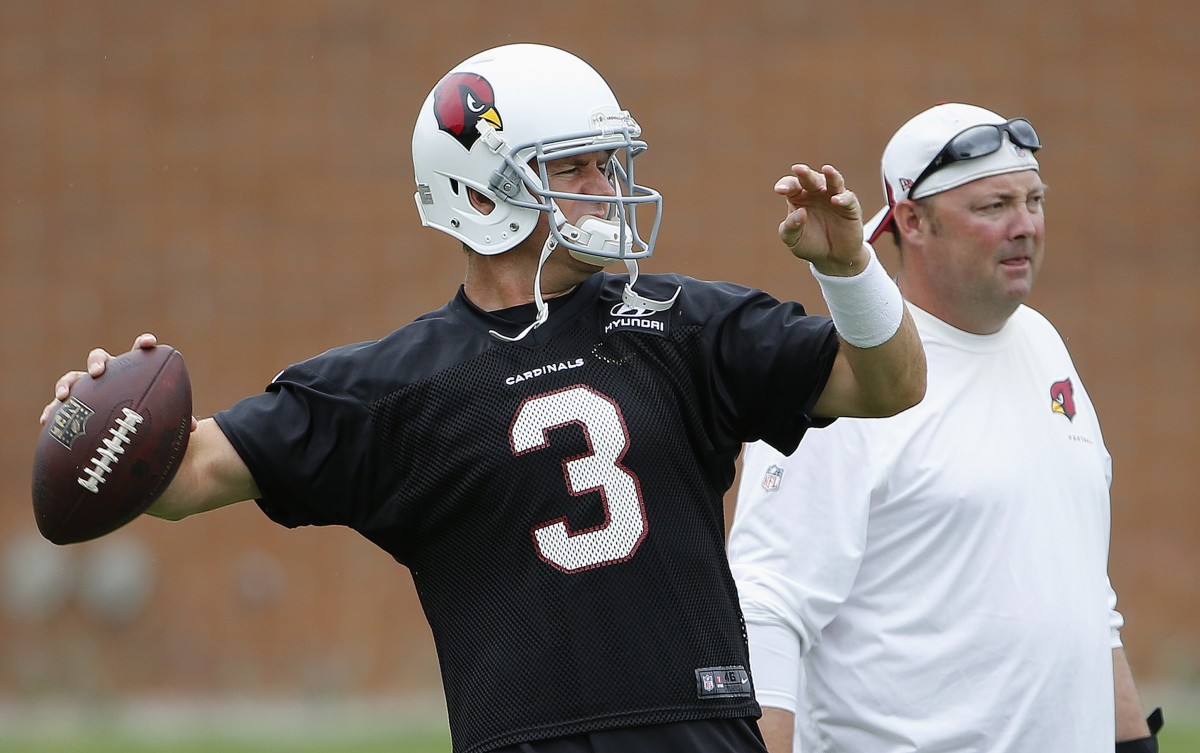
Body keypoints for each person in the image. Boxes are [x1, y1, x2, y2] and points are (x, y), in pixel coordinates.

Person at [39, 44, 925, 753]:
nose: (608, 190)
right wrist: (93, 421)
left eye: (608, 163)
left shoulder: (682, 322)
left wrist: (848, 268)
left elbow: (889, 383)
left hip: (695, 726)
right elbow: (186, 474)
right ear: (477, 188)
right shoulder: (394, 384)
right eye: (574, 167)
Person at [727, 102, 1162, 753]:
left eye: (1034, 200)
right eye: (993, 207)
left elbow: (1080, 586)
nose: (1026, 227)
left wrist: (1131, 740)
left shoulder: (1043, 344)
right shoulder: (840, 378)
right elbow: (767, 605)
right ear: (911, 221)